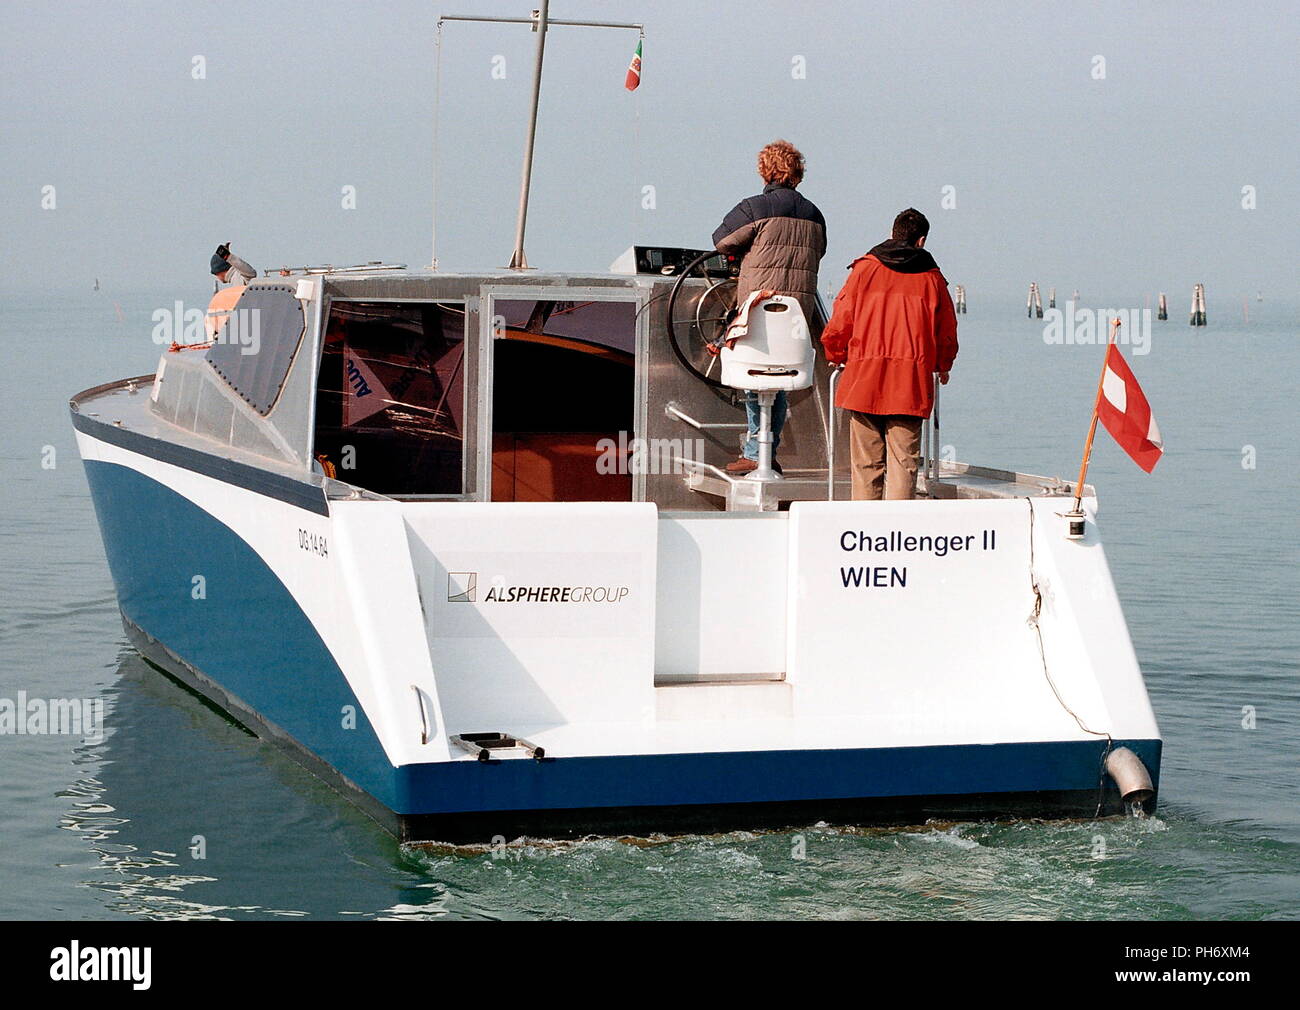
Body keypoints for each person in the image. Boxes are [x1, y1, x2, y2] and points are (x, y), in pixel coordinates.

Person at [820, 208, 958, 500]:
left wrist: (835, 352)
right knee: (904, 464)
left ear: (893, 233)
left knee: (866, 464)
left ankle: (863, 532)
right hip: (910, 384)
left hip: (863, 380)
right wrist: (942, 365)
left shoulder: (865, 269)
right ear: (921, 241)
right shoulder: (933, 279)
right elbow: (946, 331)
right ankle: (896, 533)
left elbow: (841, 320)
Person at [712, 140, 826, 474]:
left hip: (756, 316)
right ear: (798, 174)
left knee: (755, 379)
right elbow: (818, 253)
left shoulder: (754, 208)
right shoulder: (815, 215)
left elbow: (720, 240)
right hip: (796, 323)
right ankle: (766, 451)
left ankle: (754, 451)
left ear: (765, 170)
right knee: (777, 383)